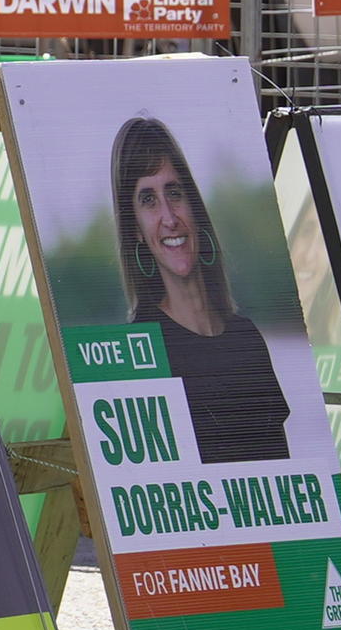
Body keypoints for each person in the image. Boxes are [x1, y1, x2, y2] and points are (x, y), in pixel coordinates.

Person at [108, 113, 290, 464]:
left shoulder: (247, 337)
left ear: (194, 204)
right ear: (134, 229)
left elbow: (281, 465)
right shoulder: (140, 351)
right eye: (148, 199)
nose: (169, 218)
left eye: (174, 192)